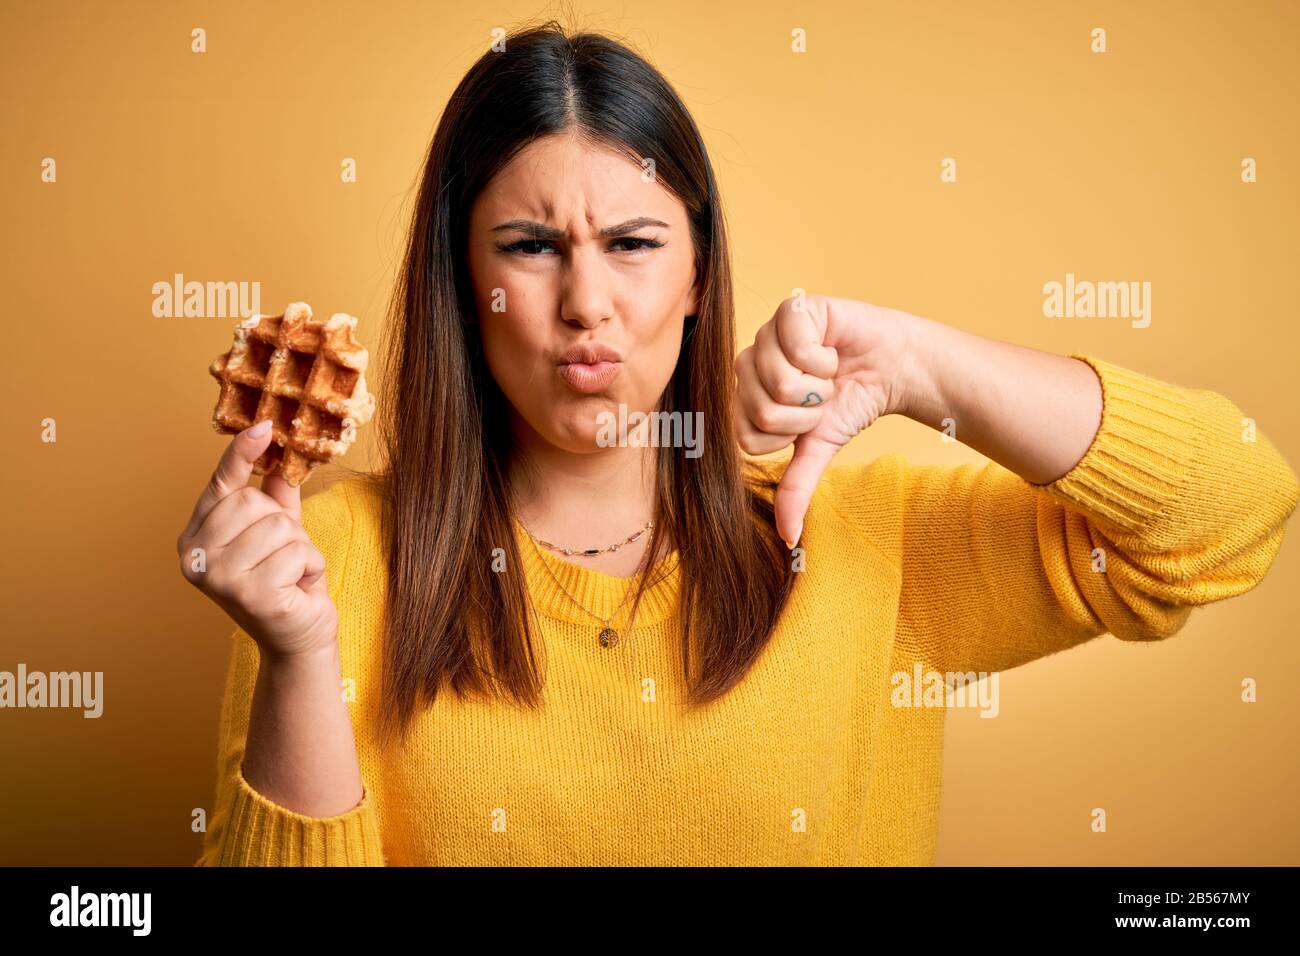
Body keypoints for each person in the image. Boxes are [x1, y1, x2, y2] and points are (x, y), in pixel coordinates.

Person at [181, 23, 1299, 866]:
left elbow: (1230, 510)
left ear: (699, 276)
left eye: (632, 242)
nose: (586, 304)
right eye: (528, 245)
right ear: (466, 288)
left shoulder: (864, 540)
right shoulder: (324, 564)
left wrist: (917, 363)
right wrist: (296, 656)